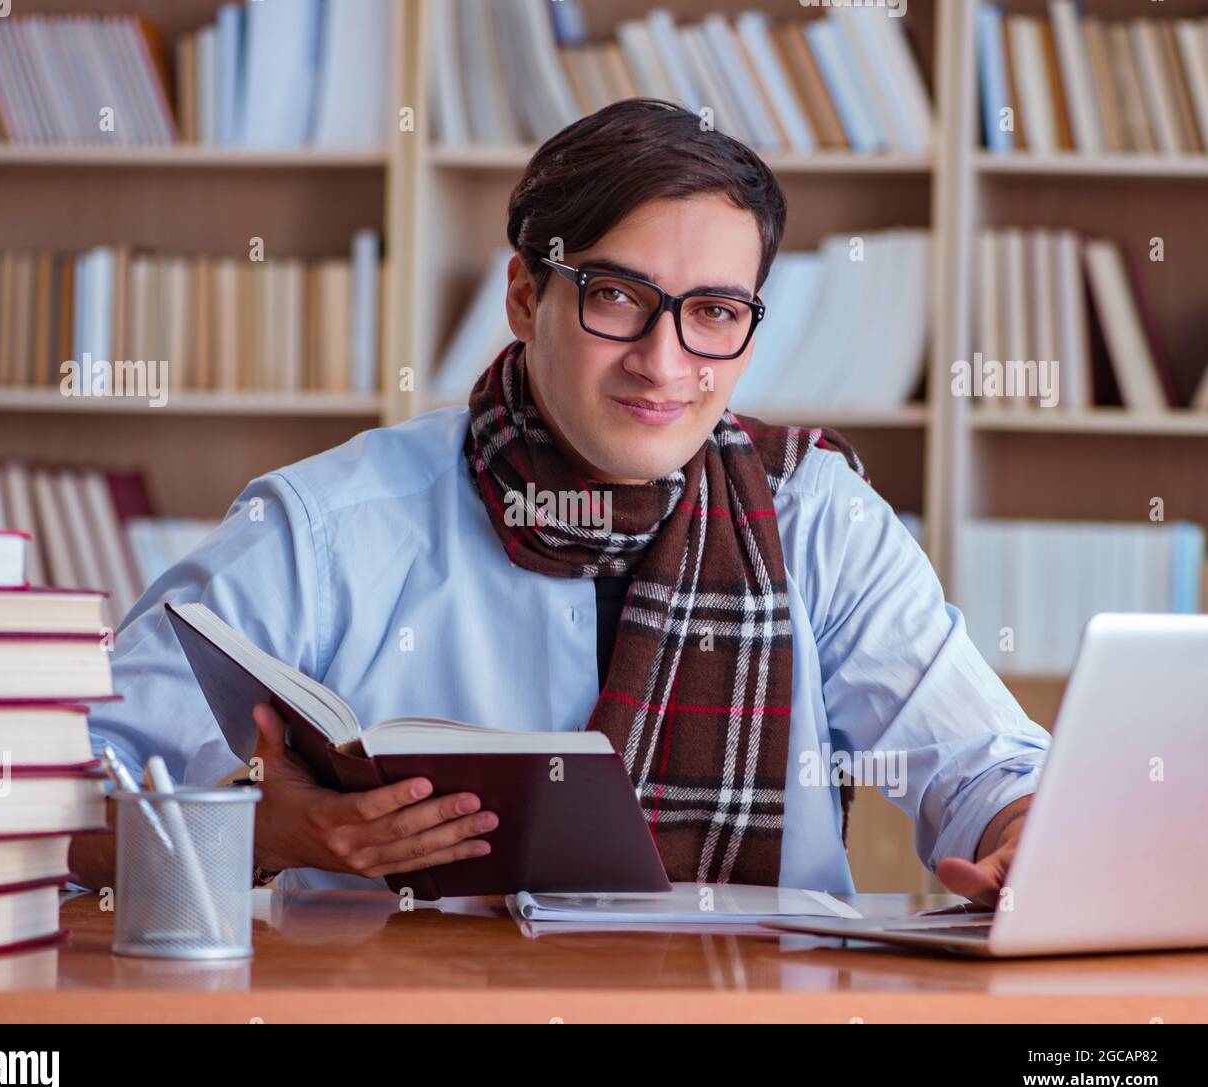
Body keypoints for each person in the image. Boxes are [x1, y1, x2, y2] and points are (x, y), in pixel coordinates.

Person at [77, 99, 1049, 905]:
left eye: (713, 312)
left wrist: (1024, 840)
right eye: (617, 297)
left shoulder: (820, 517)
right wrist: (255, 829)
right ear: (522, 294)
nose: (663, 363)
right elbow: (51, 798)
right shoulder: (327, 522)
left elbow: (987, 769)